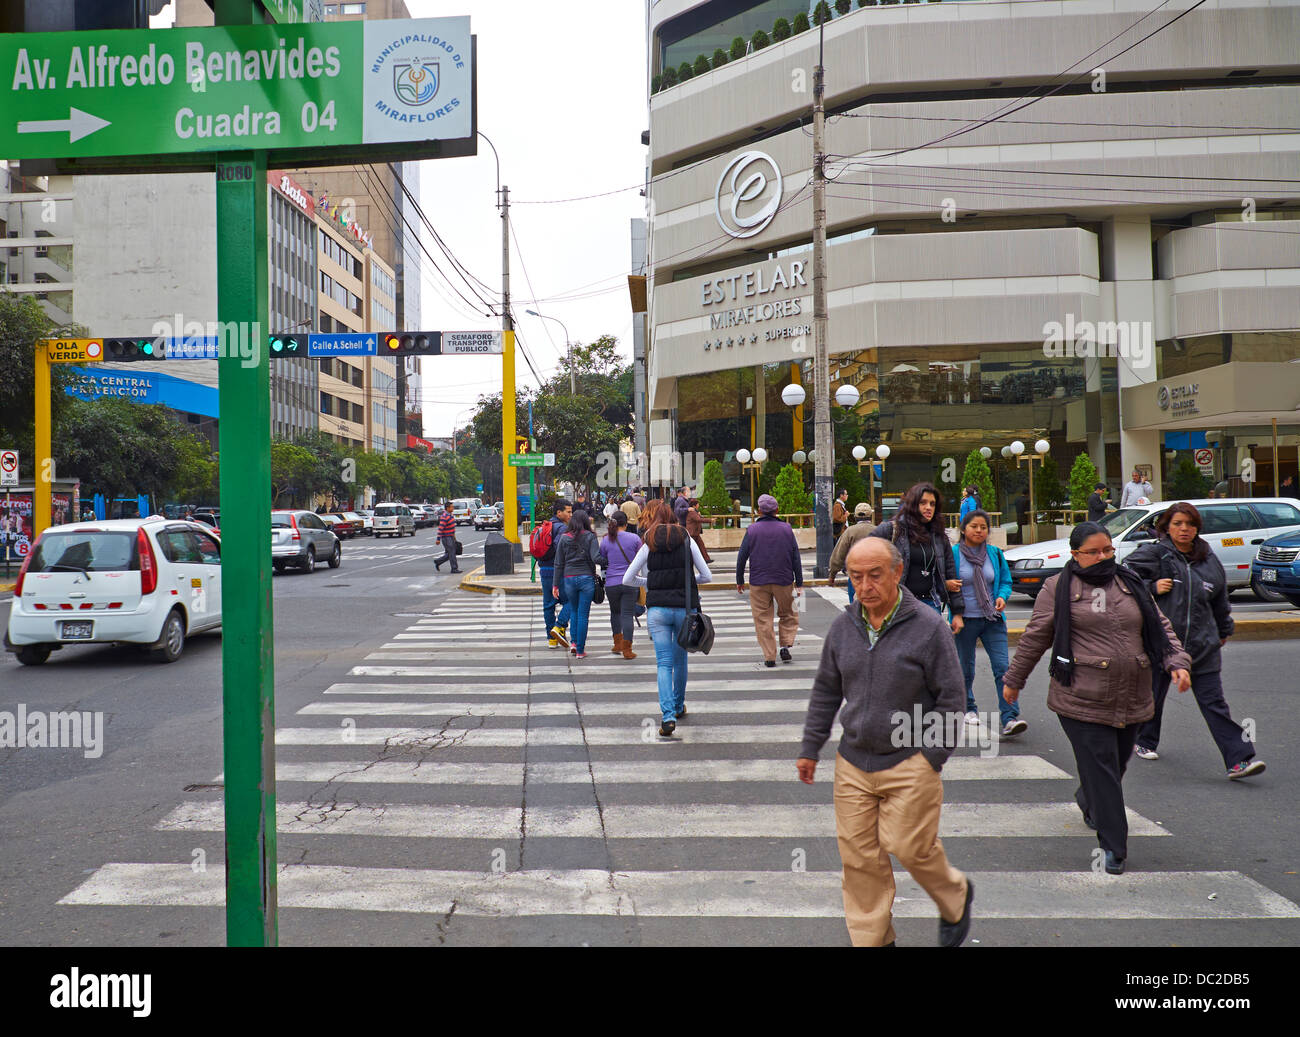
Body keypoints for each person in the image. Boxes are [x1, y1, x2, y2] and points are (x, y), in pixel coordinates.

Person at [798, 538, 973, 948]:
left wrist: (933, 756)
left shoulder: (929, 627)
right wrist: (810, 748)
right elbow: (827, 689)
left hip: (911, 759)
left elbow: (952, 696)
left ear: (896, 572)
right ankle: (874, 940)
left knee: (910, 847)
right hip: (854, 763)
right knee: (860, 862)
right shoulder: (845, 627)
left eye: (874, 575)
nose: (864, 585)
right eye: (856, 577)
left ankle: (955, 896)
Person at [1001, 522, 1191, 875]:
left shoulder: (1130, 583)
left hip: (1134, 693)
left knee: (1114, 766)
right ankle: (1114, 847)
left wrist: (1176, 662)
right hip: (1081, 698)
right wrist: (1014, 680)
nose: (1104, 557)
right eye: (1095, 552)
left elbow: (1160, 626)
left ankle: (1088, 799)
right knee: (1103, 769)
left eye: (1108, 550)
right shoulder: (1057, 588)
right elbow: (1035, 636)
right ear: (1075, 555)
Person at [1127, 503, 1265, 779]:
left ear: (1197, 528)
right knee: (1153, 697)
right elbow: (1125, 581)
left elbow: (1220, 600)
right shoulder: (1155, 553)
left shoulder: (1207, 558)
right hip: (1163, 645)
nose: (1184, 529)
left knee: (1214, 704)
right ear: (1167, 526)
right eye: (1177, 523)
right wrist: (1151, 587)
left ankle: (1239, 759)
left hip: (1203, 646)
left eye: (1189, 524)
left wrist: (1224, 630)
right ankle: (1144, 740)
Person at [622, 499, 713, 737]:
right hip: (685, 608)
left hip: (658, 610)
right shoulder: (687, 539)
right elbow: (707, 575)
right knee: (680, 659)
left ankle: (668, 715)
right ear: (673, 516)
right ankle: (678, 705)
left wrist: (649, 583)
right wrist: (690, 582)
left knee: (663, 663)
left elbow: (627, 579)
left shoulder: (648, 542)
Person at [949, 510, 1023, 737]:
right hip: (965, 620)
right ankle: (969, 708)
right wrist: (955, 612)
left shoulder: (994, 554)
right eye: (974, 526)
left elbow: (1005, 582)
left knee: (1003, 668)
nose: (979, 531)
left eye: (983, 527)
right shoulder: (953, 554)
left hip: (993, 620)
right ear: (964, 529)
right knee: (965, 669)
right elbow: (947, 587)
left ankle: (1010, 718)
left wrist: (1002, 596)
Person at [869, 482, 962, 615]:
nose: (928, 507)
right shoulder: (893, 529)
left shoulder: (939, 537)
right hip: (899, 605)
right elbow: (863, 552)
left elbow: (950, 573)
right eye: (923, 503)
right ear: (913, 505)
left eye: (932, 504)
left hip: (930, 605)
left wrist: (957, 613)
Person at [736, 493, 803, 667]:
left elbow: (742, 556)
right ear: (777, 510)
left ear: (759, 511)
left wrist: (739, 579)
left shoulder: (751, 530)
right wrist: (800, 581)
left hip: (759, 581)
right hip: (784, 579)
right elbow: (796, 556)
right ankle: (785, 645)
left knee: (762, 619)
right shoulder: (786, 529)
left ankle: (769, 656)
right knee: (789, 613)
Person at [551, 509, 601, 658]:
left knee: (573, 611)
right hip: (586, 578)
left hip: (569, 578)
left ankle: (573, 643)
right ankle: (580, 650)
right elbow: (596, 558)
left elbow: (558, 563)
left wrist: (555, 585)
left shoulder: (564, 538)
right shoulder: (590, 537)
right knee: (583, 615)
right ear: (586, 521)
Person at [599, 510, 643, 659]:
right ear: (626, 523)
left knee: (615, 613)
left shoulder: (606, 540)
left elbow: (603, 559)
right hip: (630, 582)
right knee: (627, 615)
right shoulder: (635, 538)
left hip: (611, 582)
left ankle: (617, 644)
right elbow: (640, 558)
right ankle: (627, 650)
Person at [536, 499, 573, 649]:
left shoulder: (544, 526)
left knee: (548, 605)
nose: (571, 514)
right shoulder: (561, 528)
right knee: (571, 601)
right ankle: (558, 626)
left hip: (544, 569)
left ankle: (551, 639)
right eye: (568, 511)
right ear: (559, 513)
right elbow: (560, 548)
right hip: (558, 570)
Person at [829, 502, 875, 604]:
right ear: (870, 516)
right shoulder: (877, 530)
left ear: (855, 517)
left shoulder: (850, 532)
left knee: (854, 609)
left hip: (855, 575)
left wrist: (832, 575)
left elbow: (838, 555)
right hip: (875, 576)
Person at [684, 497, 713, 564]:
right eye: (697, 504)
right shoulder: (692, 512)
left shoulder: (695, 512)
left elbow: (700, 518)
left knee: (701, 546)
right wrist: (710, 520)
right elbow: (699, 519)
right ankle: (687, 560)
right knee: (690, 548)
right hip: (692, 533)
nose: (698, 505)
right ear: (694, 505)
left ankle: (706, 559)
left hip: (695, 533)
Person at [433, 508, 460, 573]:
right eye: (451, 507)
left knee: (450, 553)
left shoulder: (451, 515)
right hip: (446, 537)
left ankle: (438, 561)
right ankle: (454, 568)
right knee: (452, 552)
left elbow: (452, 528)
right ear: (448, 508)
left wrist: (454, 537)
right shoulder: (444, 516)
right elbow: (440, 528)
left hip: (451, 537)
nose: (453, 508)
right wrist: (438, 539)